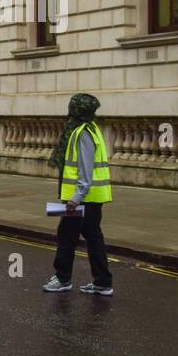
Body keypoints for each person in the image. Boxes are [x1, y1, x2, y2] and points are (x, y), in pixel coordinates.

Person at [43, 93, 114, 295]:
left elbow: (85, 169)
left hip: (82, 199)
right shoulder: (91, 129)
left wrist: (75, 199)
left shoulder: (82, 133)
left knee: (66, 236)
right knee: (93, 236)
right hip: (92, 198)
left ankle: (63, 278)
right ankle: (102, 281)